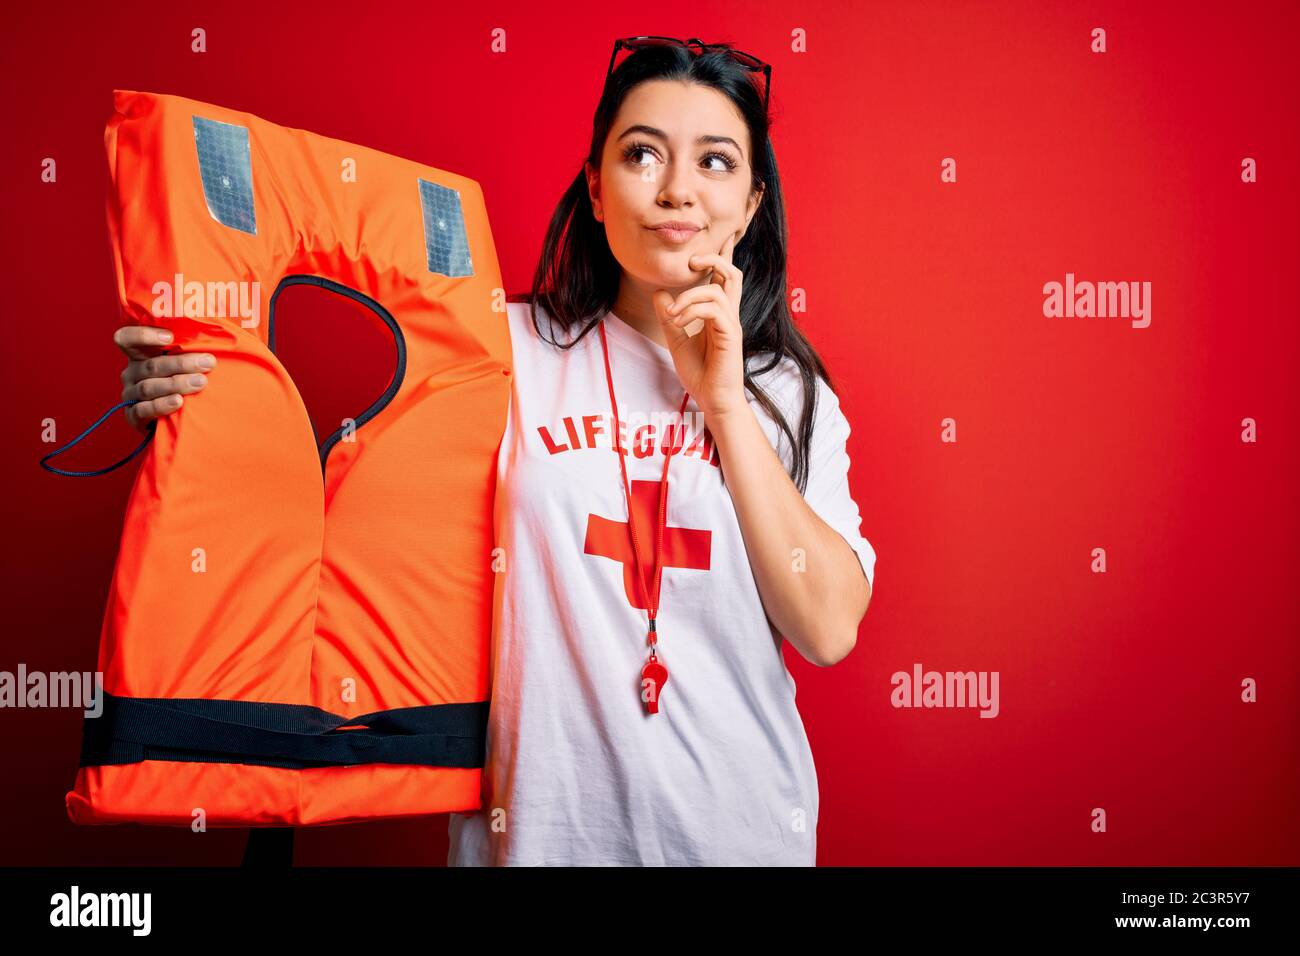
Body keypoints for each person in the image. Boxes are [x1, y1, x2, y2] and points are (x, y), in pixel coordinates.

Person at [113, 37, 877, 866]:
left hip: (743, 834)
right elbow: (339, 508)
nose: (677, 190)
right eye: (642, 154)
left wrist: (725, 403)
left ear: (753, 203)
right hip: (538, 841)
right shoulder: (502, 352)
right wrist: (200, 409)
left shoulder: (788, 392)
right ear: (594, 186)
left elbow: (829, 627)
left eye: (717, 161)